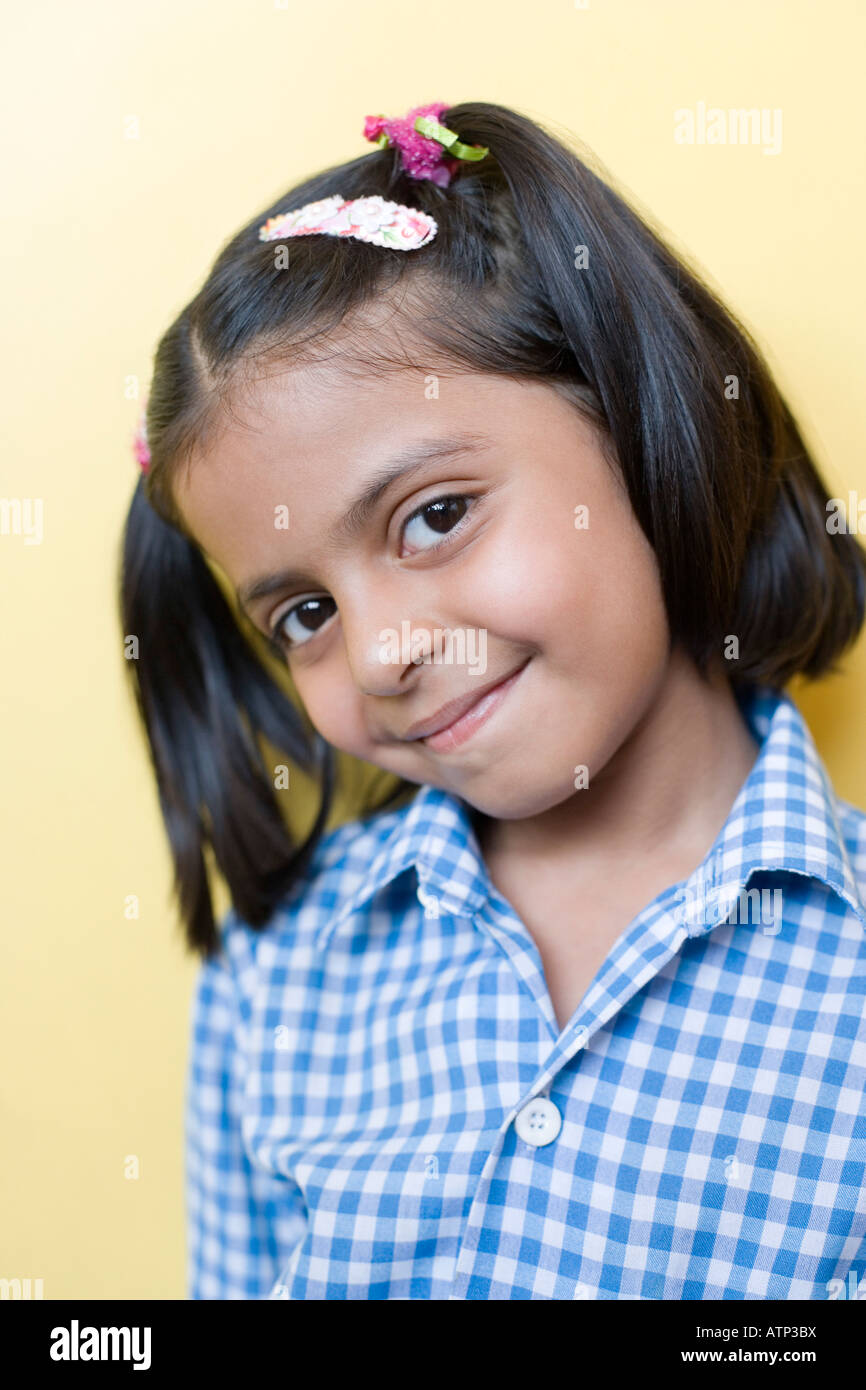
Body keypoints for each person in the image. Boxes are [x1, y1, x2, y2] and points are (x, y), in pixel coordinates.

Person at [119, 101, 866, 1300]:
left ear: (633, 420)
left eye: (432, 516)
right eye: (301, 615)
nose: (375, 656)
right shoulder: (281, 980)